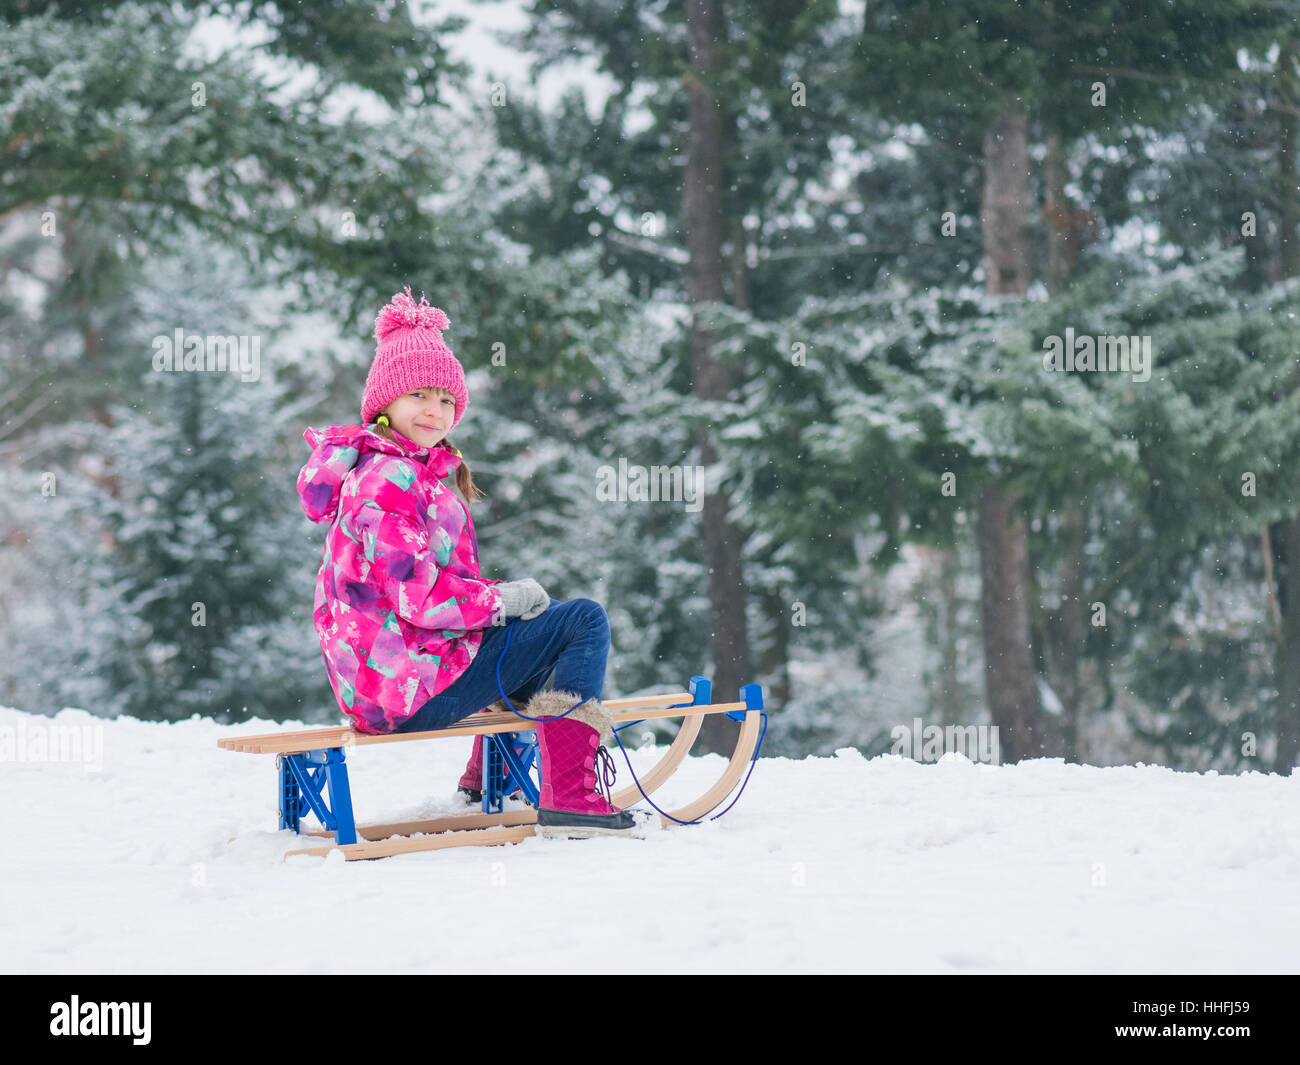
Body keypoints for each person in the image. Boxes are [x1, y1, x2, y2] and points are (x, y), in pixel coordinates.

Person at [296, 286, 649, 837]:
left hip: (390, 682)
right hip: (404, 685)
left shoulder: (396, 472)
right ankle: (574, 798)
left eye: (444, 399)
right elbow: (424, 599)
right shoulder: (387, 480)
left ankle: (488, 779)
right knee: (581, 621)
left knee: (537, 625)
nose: (433, 411)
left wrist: (502, 603)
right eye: (418, 396)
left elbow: (431, 587)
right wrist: (499, 600)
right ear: (384, 404)